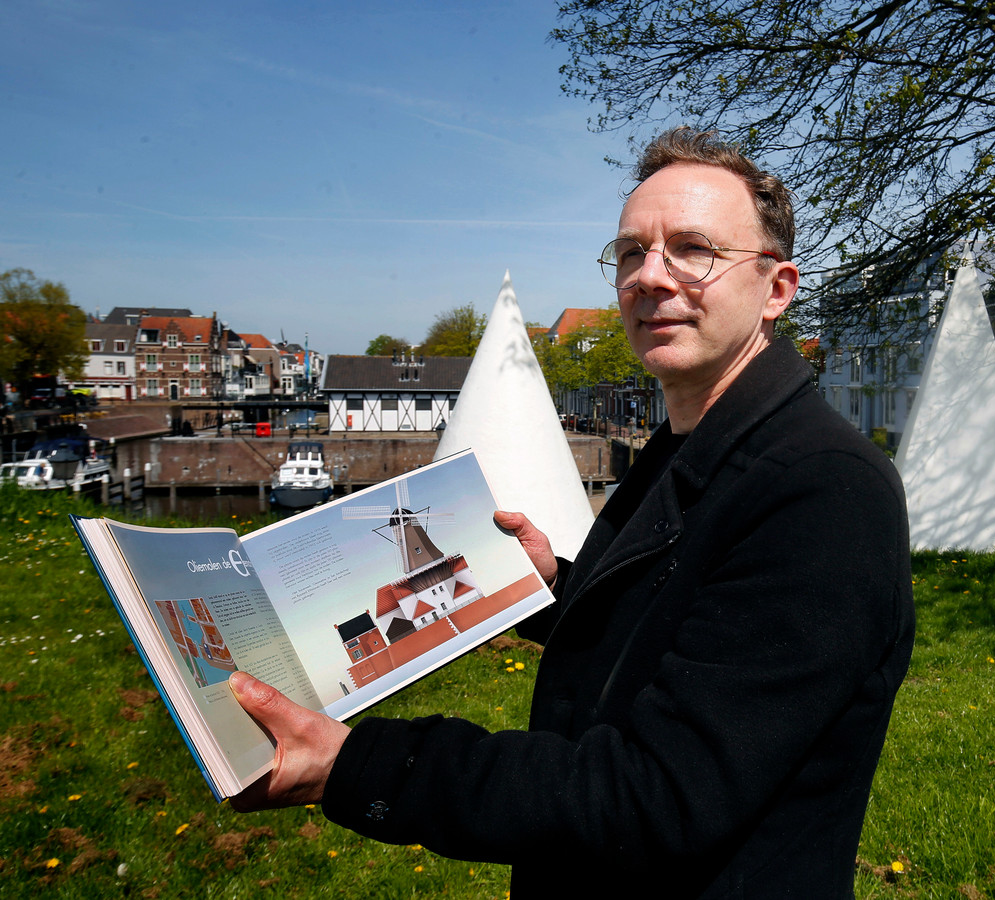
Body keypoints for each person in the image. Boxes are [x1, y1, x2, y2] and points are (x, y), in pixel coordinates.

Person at [229, 127, 914, 899]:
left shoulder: (824, 490)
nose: (650, 278)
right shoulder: (696, 444)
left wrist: (357, 767)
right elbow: (687, 615)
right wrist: (557, 586)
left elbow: (657, 795)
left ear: (777, 289)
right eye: (630, 253)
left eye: (693, 249)